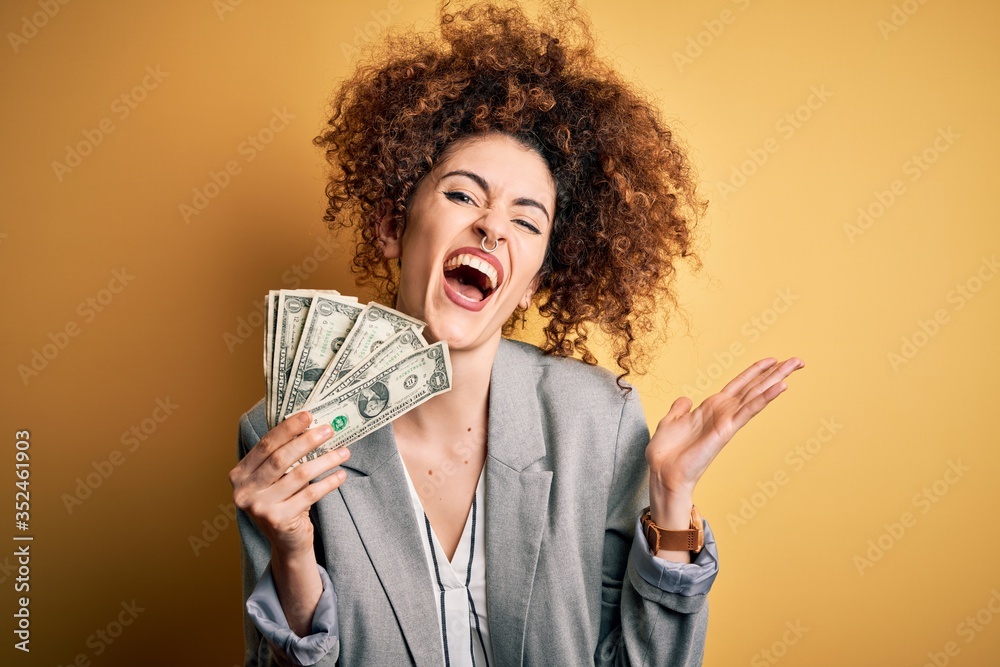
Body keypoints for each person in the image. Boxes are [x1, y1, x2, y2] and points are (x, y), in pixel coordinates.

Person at [230, 1, 804, 665]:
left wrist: (671, 505)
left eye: (527, 222)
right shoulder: (282, 438)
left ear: (531, 281)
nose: (493, 226)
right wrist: (293, 555)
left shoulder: (599, 423)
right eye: (463, 195)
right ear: (392, 224)